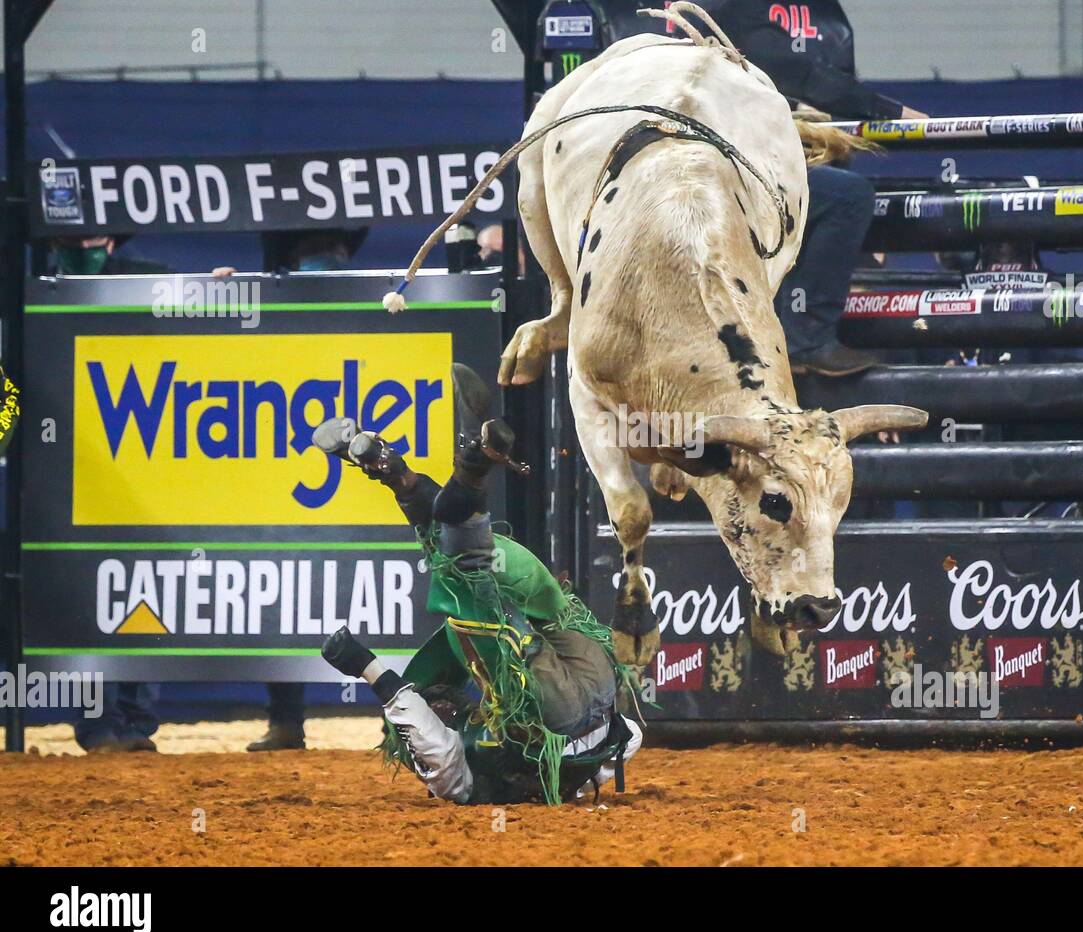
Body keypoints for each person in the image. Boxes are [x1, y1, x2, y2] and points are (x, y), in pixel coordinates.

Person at [316, 365, 641, 804]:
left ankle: (406, 472)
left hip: (592, 690)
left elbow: (631, 738)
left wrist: (366, 666)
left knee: (466, 578)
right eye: (440, 703)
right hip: (566, 703)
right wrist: (365, 665)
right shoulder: (462, 777)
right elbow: (419, 726)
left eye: (435, 702)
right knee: (474, 584)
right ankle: (465, 466)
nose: (439, 708)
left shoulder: (464, 763)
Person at [685, 0, 927, 376]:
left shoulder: (686, 20)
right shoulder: (736, 15)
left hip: (683, 172)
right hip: (719, 178)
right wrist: (894, 112)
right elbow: (805, 75)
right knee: (848, 196)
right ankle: (807, 339)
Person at [243, 229, 368, 752]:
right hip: (287, 476)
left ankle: (410, 720)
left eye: (338, 253)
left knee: (384, 590)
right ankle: (286, 719)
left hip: (357, 478)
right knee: (281, 588)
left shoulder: (368, 307)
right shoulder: (267, 309)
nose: (327, 265)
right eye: (314, 256)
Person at [52, 234, 165, 752]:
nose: (80, 244)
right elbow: (11, 383)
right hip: (72, 474)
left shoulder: (146, 279)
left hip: (148, 467)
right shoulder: (38, 290)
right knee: (85, 594)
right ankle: (97, 724)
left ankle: (136, 720)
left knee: (149, 587)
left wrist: (218, 296)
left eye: (92, 234)